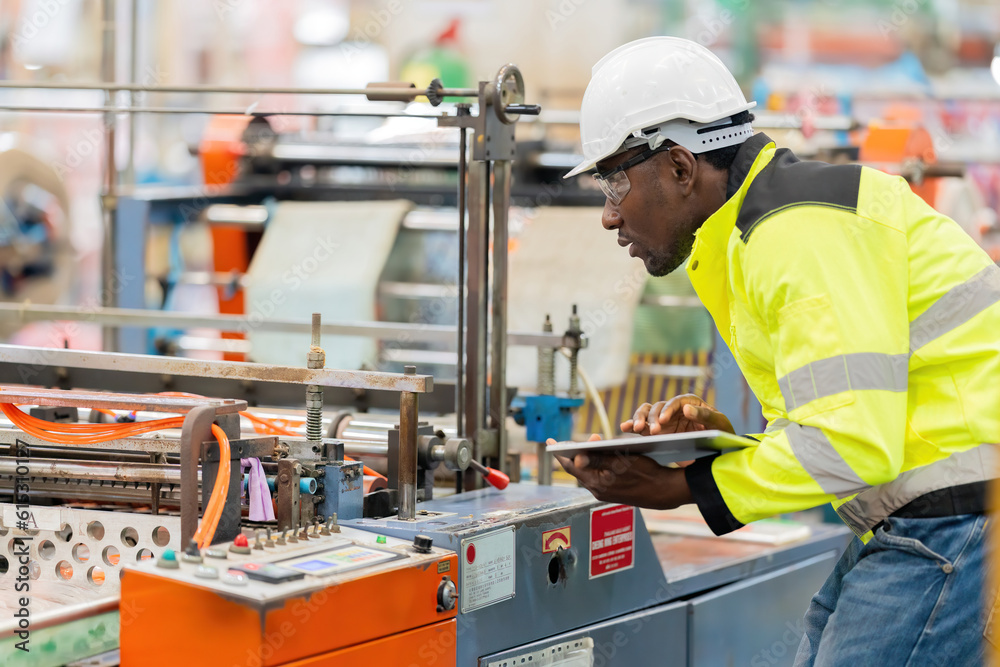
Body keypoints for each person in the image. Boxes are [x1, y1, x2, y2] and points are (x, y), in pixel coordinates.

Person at [552, 36, 1000, 666]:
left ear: (680, 166)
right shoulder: (758, 232)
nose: (608, 215)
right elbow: (840, 422)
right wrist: (718, 443)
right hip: (927, 512)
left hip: (958, 515)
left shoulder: (793, 232)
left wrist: (686, 485)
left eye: (614, 182)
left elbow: (851, 445)